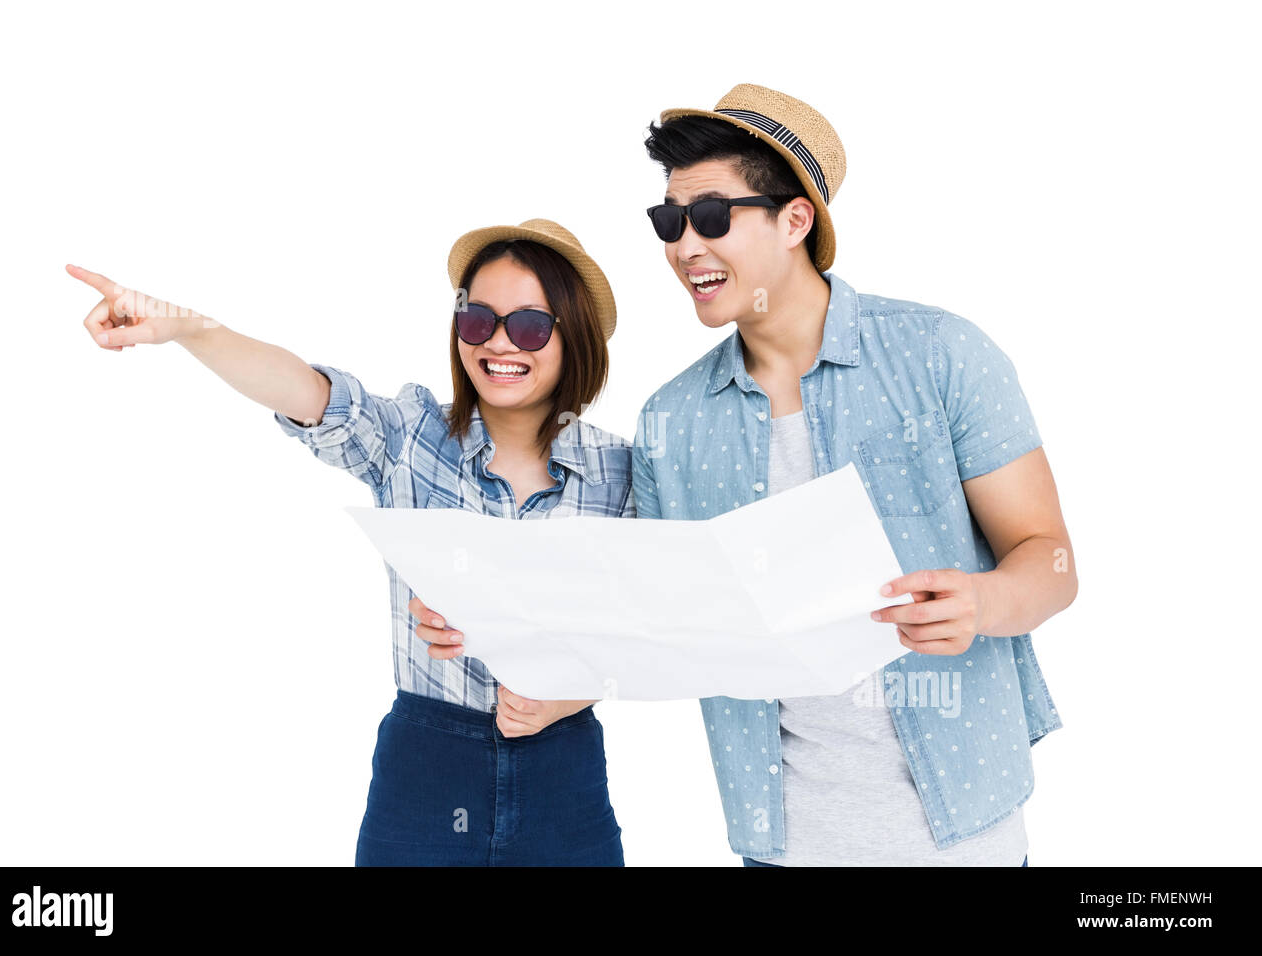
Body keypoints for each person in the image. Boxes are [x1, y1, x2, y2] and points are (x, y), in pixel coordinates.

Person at [66, 217, 632, 866]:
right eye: (478, 320)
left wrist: (571, 693)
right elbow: (309, 395)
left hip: (566, 782)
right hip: (424, 773)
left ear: (574, 336)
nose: (500, 343)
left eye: (530, 324)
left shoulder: (621, 474)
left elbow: (660, 632)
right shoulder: (411, 437)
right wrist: (188, 328)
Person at [631, 84, 1078, 866]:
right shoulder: (674, 419)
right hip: (781, 845)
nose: (685, 246)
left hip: (964, 836)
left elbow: (1051, 559)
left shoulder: (939, 353)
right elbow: (662, 614)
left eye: (711, 217)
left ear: (795, 218)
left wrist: (984, 600)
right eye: (671, 221)